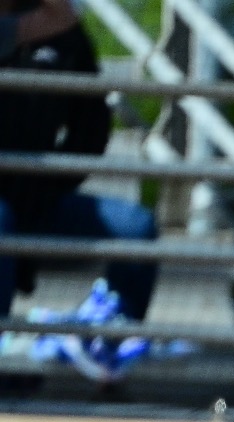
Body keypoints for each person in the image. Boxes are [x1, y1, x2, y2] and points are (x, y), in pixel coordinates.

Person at [0, 0, 158, 330]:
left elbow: (92, 125)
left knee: (136, 227)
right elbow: (55, 16)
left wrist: (52, 183)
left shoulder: (64, 35)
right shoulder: (46, 24)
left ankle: (107, 351)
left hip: (38, 196)